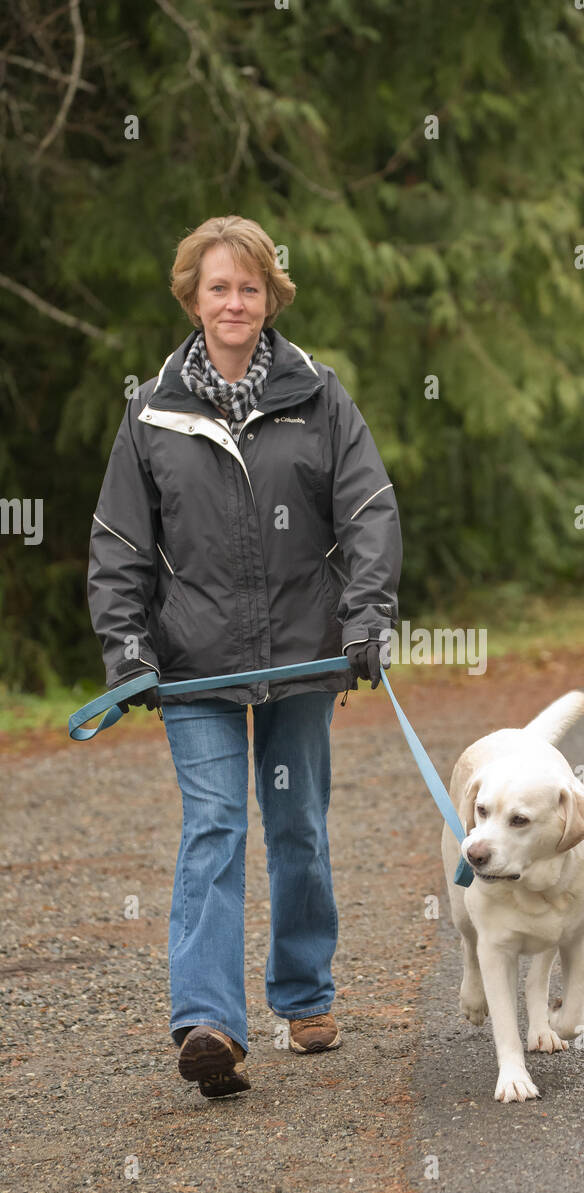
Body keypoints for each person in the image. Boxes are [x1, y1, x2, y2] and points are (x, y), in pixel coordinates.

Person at [87, 214, 402, 1098]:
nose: (235, 302)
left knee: (297, 828)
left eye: (250, 287)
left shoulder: (319, 394)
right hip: (195, 663)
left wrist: (365, 617)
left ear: (272, 298)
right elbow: (118, 542)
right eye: (219, 286)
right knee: (215, 827)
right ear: (193, 297)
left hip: (305, 653)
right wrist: (127, 651)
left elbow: (369, 507)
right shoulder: (150, 411)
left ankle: (304, 996)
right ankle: (210, 1024)